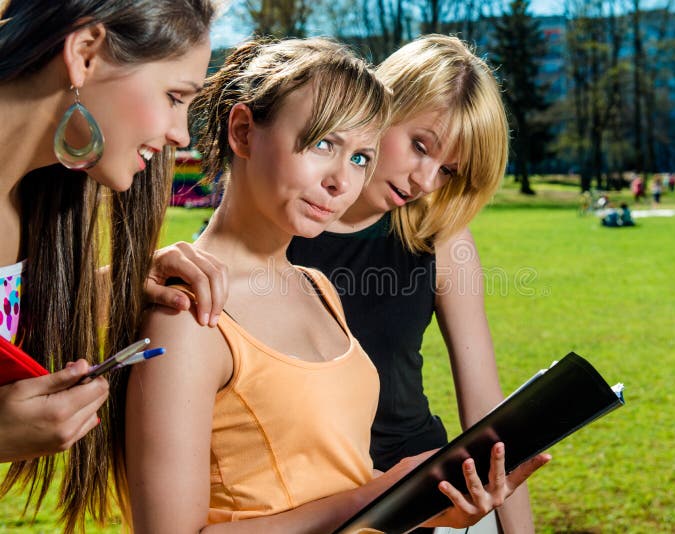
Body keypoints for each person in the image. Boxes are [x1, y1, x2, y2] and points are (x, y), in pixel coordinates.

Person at [122, 37, 549, 533]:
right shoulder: (200, 295)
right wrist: (130, 277)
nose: (426, 181)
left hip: (409, 495)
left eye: (360, 158)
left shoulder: (321, 286)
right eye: (325, 143)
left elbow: (476, 410)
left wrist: (414, 502)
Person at [288, 35, 541, 533]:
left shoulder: (441, 238)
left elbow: (484, 406)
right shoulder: (285, 221)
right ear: (382, 107)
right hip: (314, 506)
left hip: (427, 498)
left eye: (448, 170)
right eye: (420, 146)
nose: (425, 180)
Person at [0, 1, 227, 531]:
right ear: (84, 53)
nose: (181, 135)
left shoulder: (31, 210)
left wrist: (116, 284)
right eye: (174, 97)